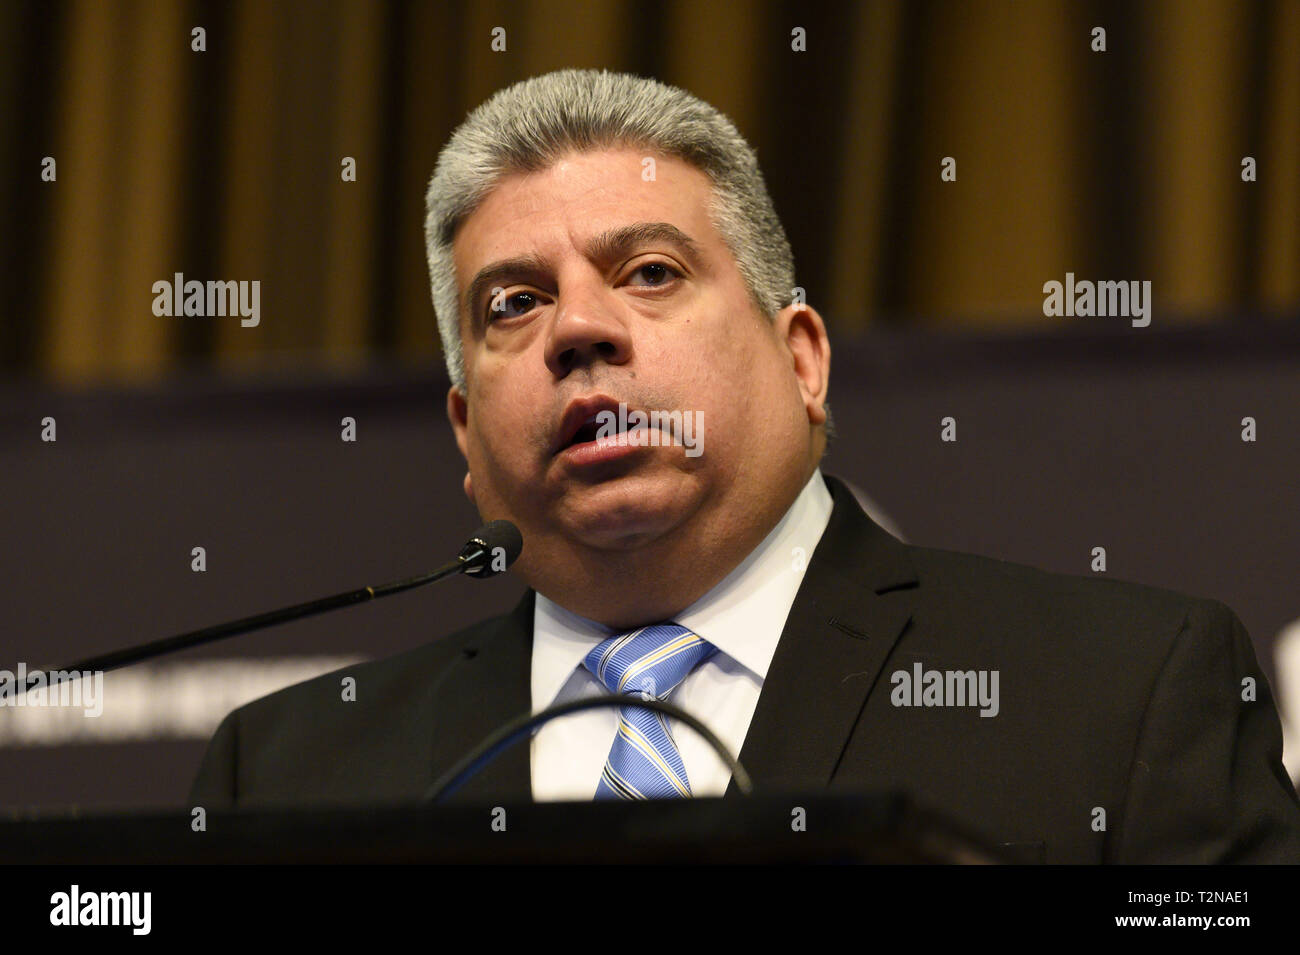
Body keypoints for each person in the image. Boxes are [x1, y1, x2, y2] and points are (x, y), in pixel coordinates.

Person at [190, 69, 1300, 863]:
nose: (578, 327)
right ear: (465, 438)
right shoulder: (290, 772)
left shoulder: (1123, 693)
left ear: (801, 358)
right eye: (514, 304)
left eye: (652, 271)